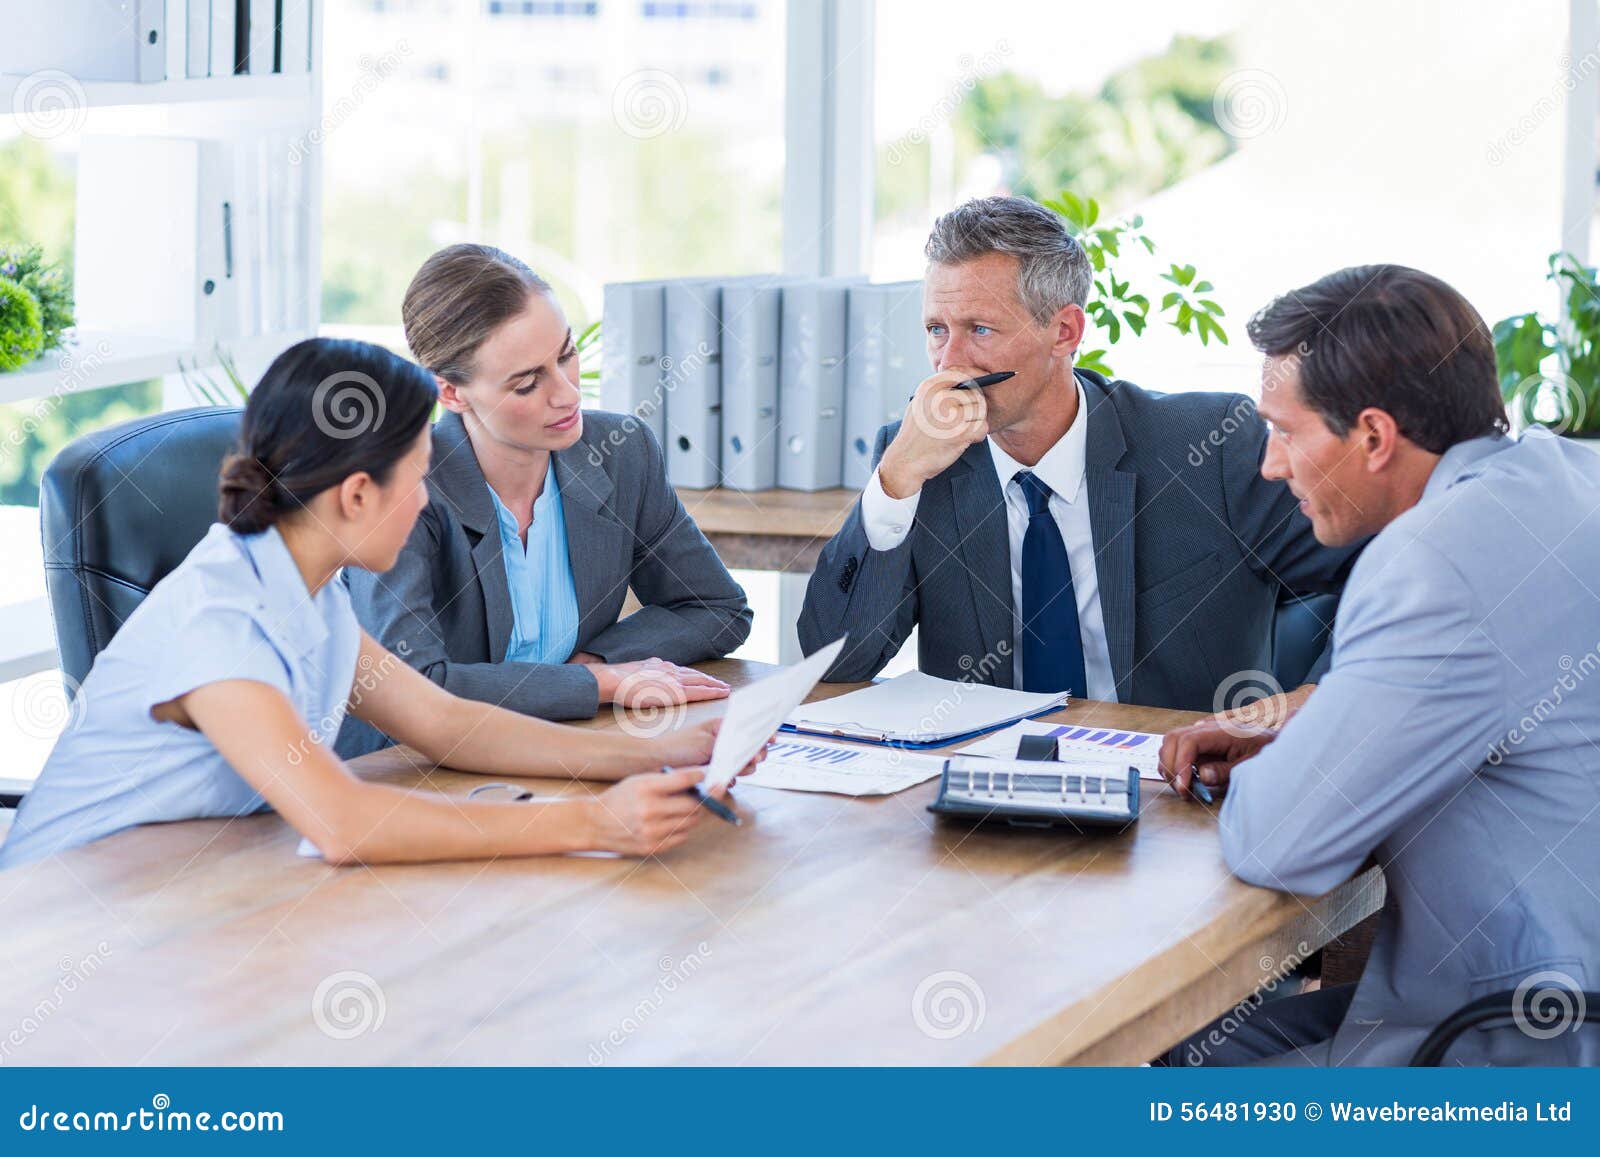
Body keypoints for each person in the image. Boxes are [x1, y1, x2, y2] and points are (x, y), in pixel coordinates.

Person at [0, 339, 751, 870]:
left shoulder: (304, 585)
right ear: (357, 494)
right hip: (62, 923)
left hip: (195, 890)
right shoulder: (219, 625)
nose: (428, 498)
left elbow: (443, 722)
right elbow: (345, 823)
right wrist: (594, 822)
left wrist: (655, 753)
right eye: (419, 478)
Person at [1158, 264, 1600, 1066]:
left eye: (1285, 431)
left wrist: (1308, 745)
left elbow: (1276, 842)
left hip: (1520, 1047)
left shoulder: (1437, 562)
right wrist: (1322, 714)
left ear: (1372, 435)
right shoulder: (1562, 474)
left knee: (1114, 1099)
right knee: (1179, 1048)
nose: (1269, 464)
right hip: (1528, 988)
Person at [796, 196, 1362, 713]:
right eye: (937, 329)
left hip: (1175, 786)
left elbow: (1383, 568)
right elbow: (835, 664)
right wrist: (894, 481)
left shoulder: (1208, 445)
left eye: (981, 330)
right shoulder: (918, 460)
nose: (950, 363)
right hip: (982, 791)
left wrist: (1310, 703)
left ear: (1064, 330)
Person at [337, 244, 751, 759]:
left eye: (567, 354)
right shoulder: (402, 489)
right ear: (451, 394)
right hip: (406, 771)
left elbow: (715, 606)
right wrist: (596, 686)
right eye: (528, 382)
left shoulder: (622, 452)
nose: (568, 394)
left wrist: (597, 661)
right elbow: (413, 688)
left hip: (561, 748)